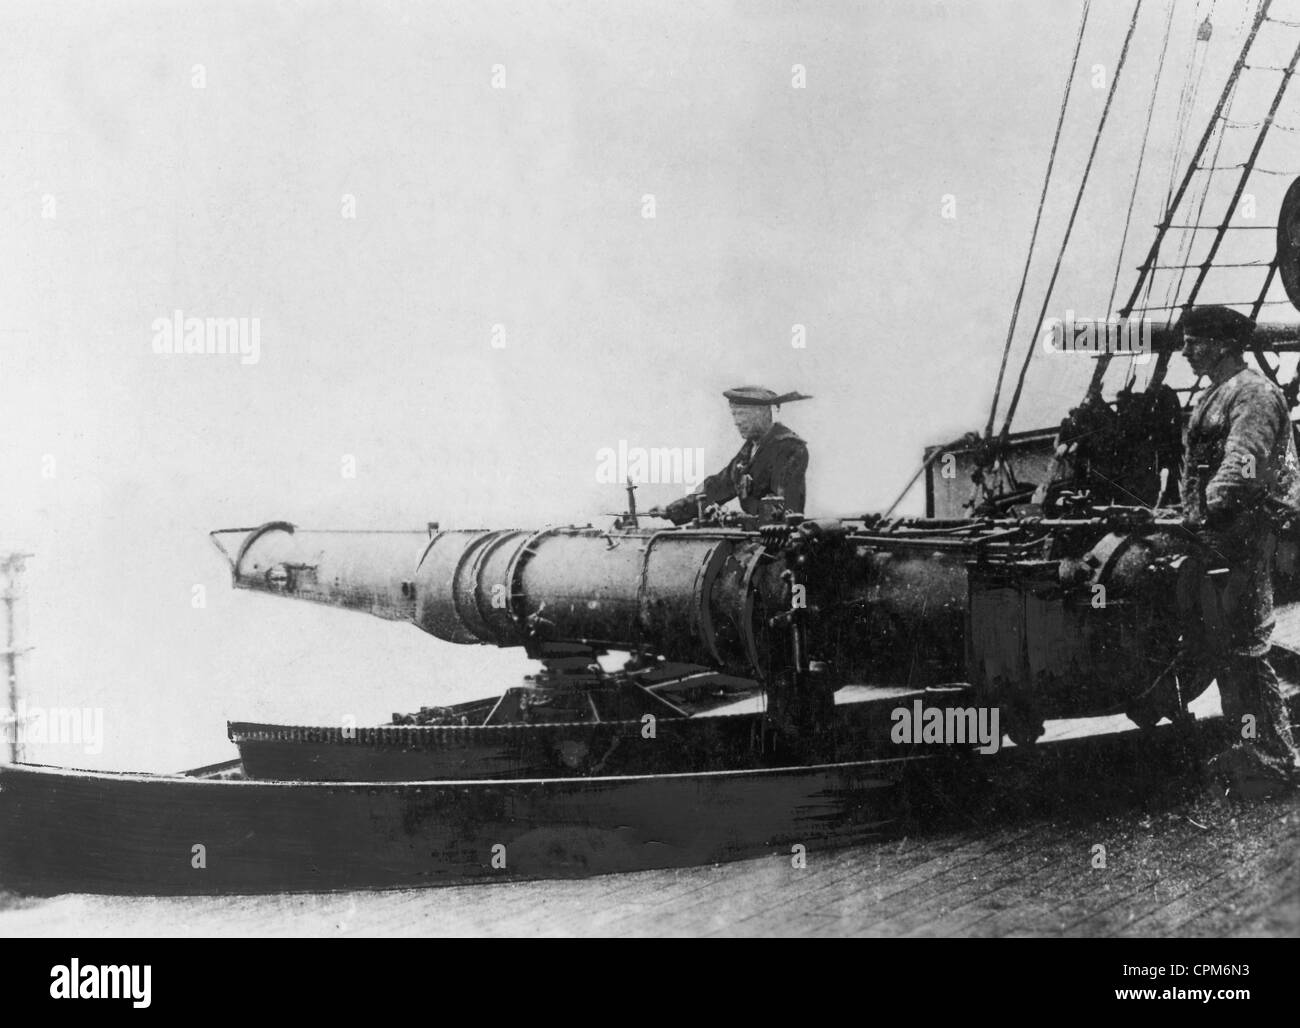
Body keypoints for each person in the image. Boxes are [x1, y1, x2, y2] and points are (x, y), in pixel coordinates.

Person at [1178, 304, 1300, 795]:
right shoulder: (1216, 394)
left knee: (1247, 646)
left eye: (1195, 340)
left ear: (1224, 344)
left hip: (1245, 535)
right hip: (1218, 534)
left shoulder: (1252, 393)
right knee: (1229, 648)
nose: (1186, 349)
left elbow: (1242, 466)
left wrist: (1200, 515)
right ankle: (1252, 745)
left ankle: (1277, 758)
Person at [656, 386, 811, 526]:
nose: (737, 422)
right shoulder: (749, 451)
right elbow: (717, 486)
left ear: (763, 413)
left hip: (778, 542)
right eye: (734, 414)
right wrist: (670, 510)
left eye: (742, 414)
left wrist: (738, 518)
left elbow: (785, 509)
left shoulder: (788, 447)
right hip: (754, 539)